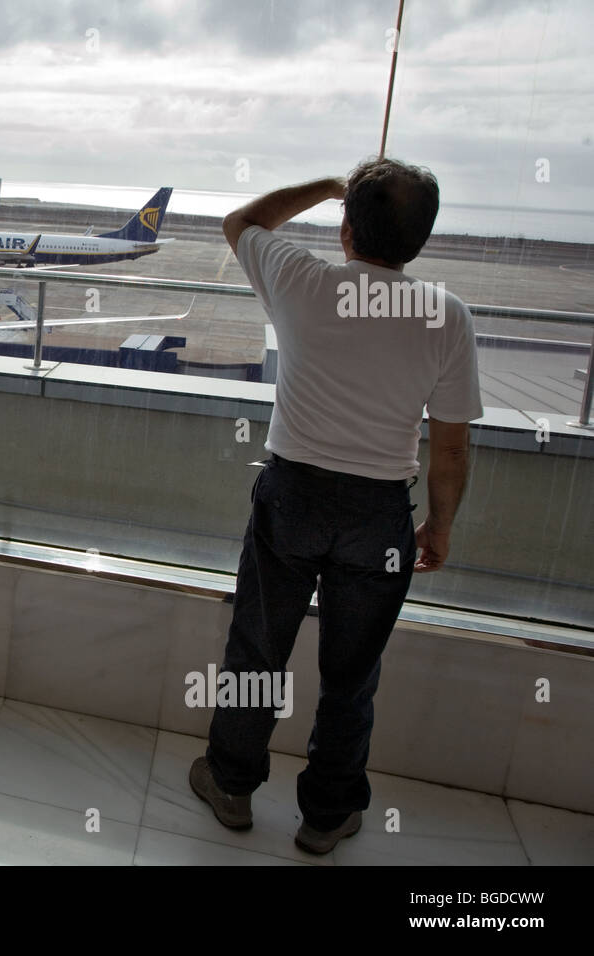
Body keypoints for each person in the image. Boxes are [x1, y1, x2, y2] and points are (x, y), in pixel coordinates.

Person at [189, 157, 484, 854]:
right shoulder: (448, 317)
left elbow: (241, 222)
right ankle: (326, 816)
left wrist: (327, 186)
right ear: (422, 238)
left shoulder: (303, 279)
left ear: (347, 225)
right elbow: (450, 451)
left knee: (256, 650)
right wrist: (438, 526)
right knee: (352, 675)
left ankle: (231, 783)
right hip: (379, 516)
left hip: (292, 496)